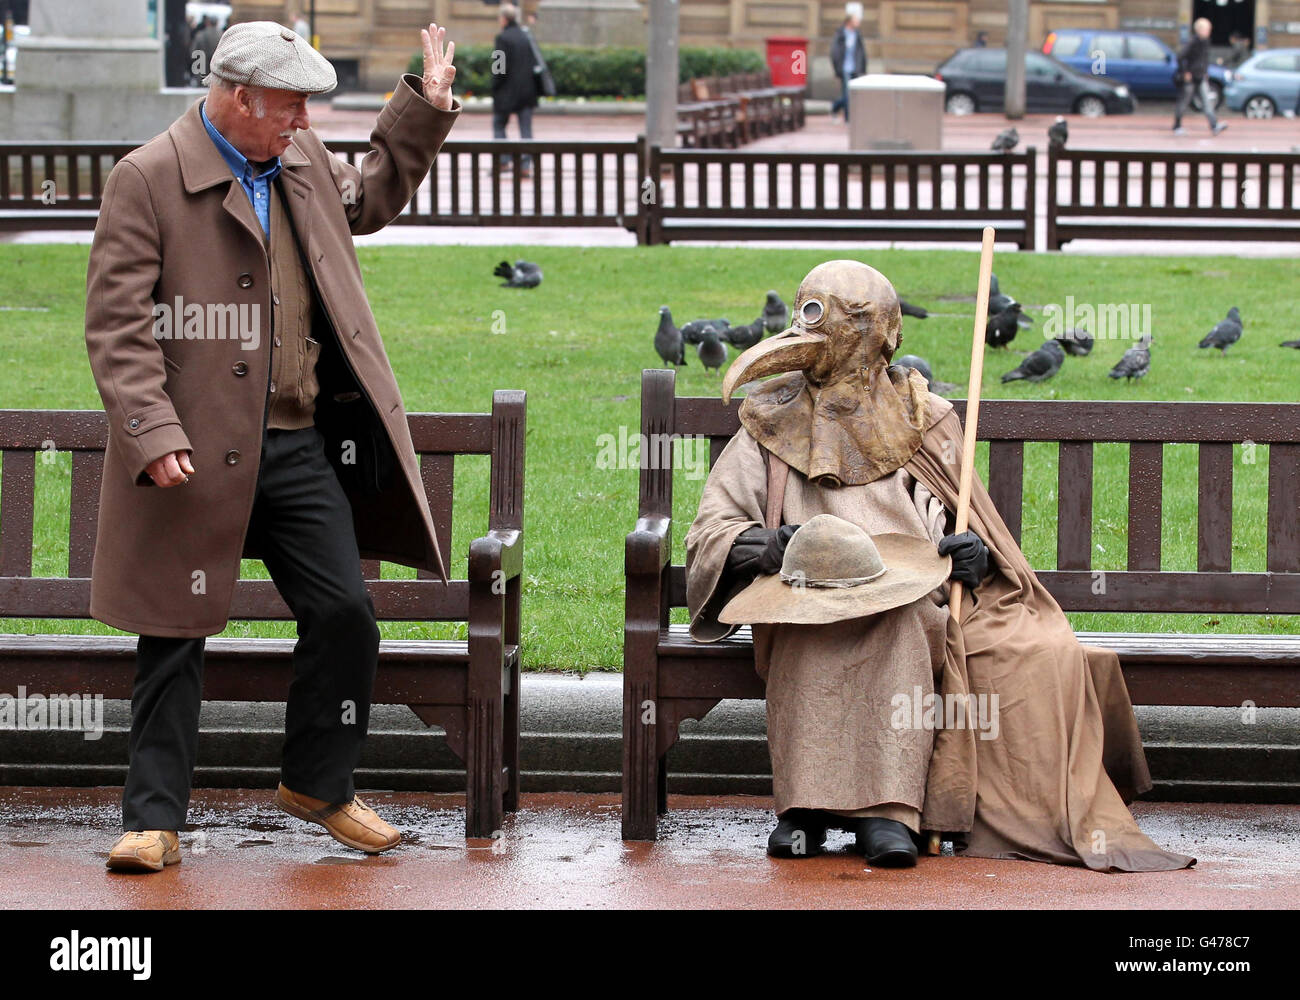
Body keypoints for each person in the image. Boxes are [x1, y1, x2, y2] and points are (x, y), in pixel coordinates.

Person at [86, 20, 461, 873]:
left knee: (346, 614)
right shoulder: (146, 179)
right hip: (190, 451)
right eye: (289, 105)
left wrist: (423, 111)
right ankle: (153, 821)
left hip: (293, 443)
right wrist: (150, 430)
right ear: (237, 95)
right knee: (173, 632)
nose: (301, 121)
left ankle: (318, 785)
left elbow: (367, 198)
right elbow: (116, 327)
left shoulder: (299, 160)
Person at [686, 260, 1196, 873]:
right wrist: (766, 547)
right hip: (804, 591)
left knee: (903, 626)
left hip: (910, 590)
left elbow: (968, 526)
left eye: (834, 319)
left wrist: (973, 555)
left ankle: (890, 812)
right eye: (807, 313)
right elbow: (713, 532)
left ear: (878, 334)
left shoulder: (923, 420)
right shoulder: (767, 419)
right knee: (814, 627)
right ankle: (806, 810)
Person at [492, 3, 538, 175]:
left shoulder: (502, 38)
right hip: (527, 91)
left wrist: (494, 87)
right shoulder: (526, 36)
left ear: (504, 19)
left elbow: (498, 68)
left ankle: (503, 161)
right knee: (526, 129)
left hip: (507, 93)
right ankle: (525, 165)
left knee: (499, 124)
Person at [1173, 17, 1227, 136]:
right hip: (1191, 77)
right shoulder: (1193, 42)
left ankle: (1214, 125)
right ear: (1199, 29)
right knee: (1184, 101)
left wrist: (1205, 72)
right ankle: (1177, 126)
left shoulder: (1206, 42)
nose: (1209, 31)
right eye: (1207, 29)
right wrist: (1185, 72)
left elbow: (1203, 60)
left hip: (1200, 76)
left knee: (1207, 101)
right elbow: (1180, 56)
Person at [829, 3, 867, 123]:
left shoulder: (857, 34)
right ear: (850, 20)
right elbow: (835, 52)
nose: (859, 22)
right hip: (844, 68)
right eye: (857, 19)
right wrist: (837, 68)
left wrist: (863, 67)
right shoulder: (841, 33)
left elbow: (862, 52)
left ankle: (836, 106)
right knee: (847, 93)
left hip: (855, 68)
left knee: (851, 93)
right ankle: (848, 118)